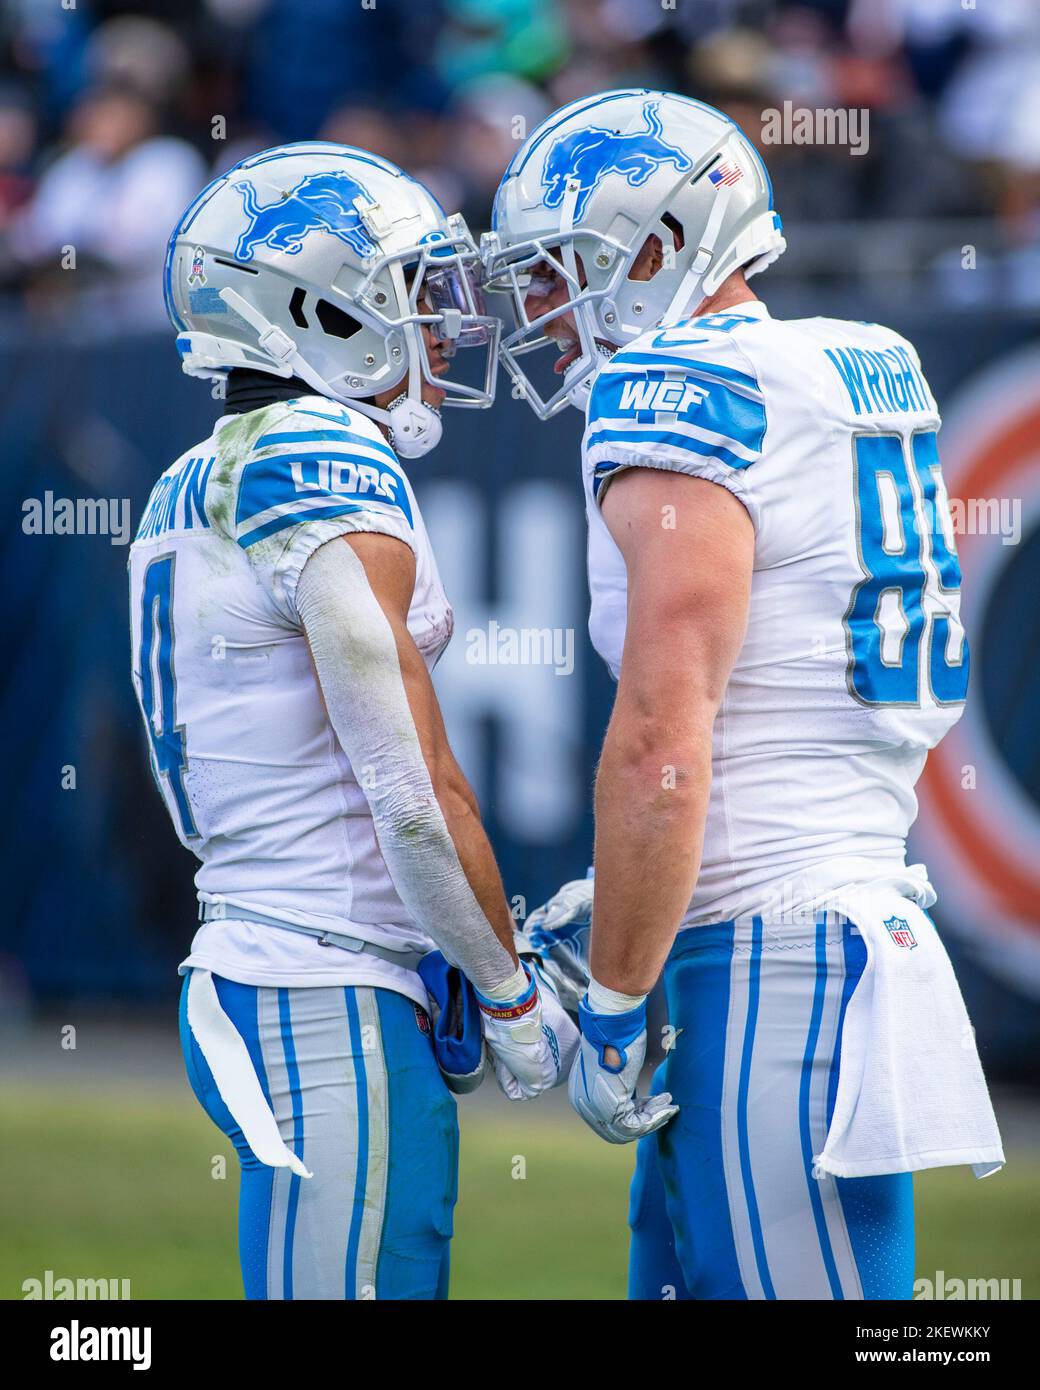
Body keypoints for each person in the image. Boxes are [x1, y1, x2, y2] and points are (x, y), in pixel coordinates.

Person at [484, 89, 1004, 1300]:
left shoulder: (681, 388)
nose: (545, 312)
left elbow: (665, 738)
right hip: (818, 920)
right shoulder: (858, 363)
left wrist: (612, 999)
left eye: (564, 272)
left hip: (765, 955)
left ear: (660, 248)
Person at [129, 142, 575, 1301]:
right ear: (316, 308)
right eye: (409, 291)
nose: (440, 324)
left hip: (275, 956)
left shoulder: (197, 472)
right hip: (320, 980)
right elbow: (411, 791)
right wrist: (514, 993)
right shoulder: (316, 457)